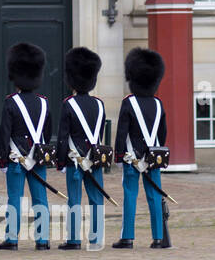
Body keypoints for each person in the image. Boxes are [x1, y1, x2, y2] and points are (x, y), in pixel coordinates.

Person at [0, 42, 53, 250]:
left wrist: (3, 159)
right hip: (37, 157)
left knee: (15, 198)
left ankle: (12, 239)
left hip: (16, 157)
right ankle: (43, 239)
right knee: (40, 198)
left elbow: (5, 133)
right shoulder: (44, 102)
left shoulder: (11, 102)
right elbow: (48, 131)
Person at [113, 48, 169, 249]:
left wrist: (119, 156)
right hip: (153, 157)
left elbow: (122, 132)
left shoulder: (128, 103)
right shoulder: (158, 104)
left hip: (132, 157)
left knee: (130, 195)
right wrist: (156, 153)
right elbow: (162, 133)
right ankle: (158, 237)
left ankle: (127, 237)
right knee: (154, 196)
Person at [56, 47, 106, 249]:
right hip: (94, 158)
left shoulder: (68, 104)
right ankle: (97, 238)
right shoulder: (100, 104)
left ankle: (74, 239)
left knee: (74, 200)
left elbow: (63, 137)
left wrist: (61, 161)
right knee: (96, 199)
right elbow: (100, 132)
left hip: (75, 160)